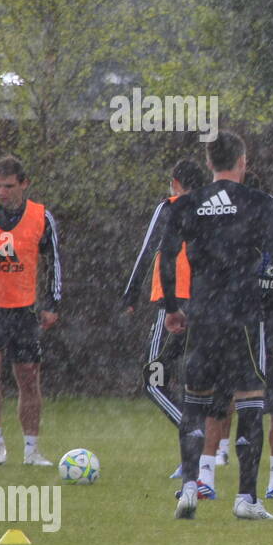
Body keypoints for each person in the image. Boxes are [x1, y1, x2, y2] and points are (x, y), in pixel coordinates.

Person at [160, 132, 273, 520]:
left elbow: (165, 255)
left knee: (196, 403)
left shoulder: (188, 204)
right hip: (245, 319)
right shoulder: (260, 203)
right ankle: (246, 498)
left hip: (203, 316)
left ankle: (189, 489)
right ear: (243, 161)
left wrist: (172, 307)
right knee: (250, 403)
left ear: (210, 163)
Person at [119, 159, 227, 482]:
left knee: (154, 379)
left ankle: (194, 436)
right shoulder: (214, 210)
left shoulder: (170, 207)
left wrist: (130, 293)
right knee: (200, 377)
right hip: (206, 304)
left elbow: (148, 248)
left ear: (176, 183)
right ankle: (207, 449)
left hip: (173, 304)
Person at [0, 155, 62, 466]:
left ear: (24, 184)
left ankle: (31, 450)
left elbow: (55, 262)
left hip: (24, 310)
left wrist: (52, 303)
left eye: (8, 186)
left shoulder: (41, 217)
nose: (1, 192)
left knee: (29, 377)